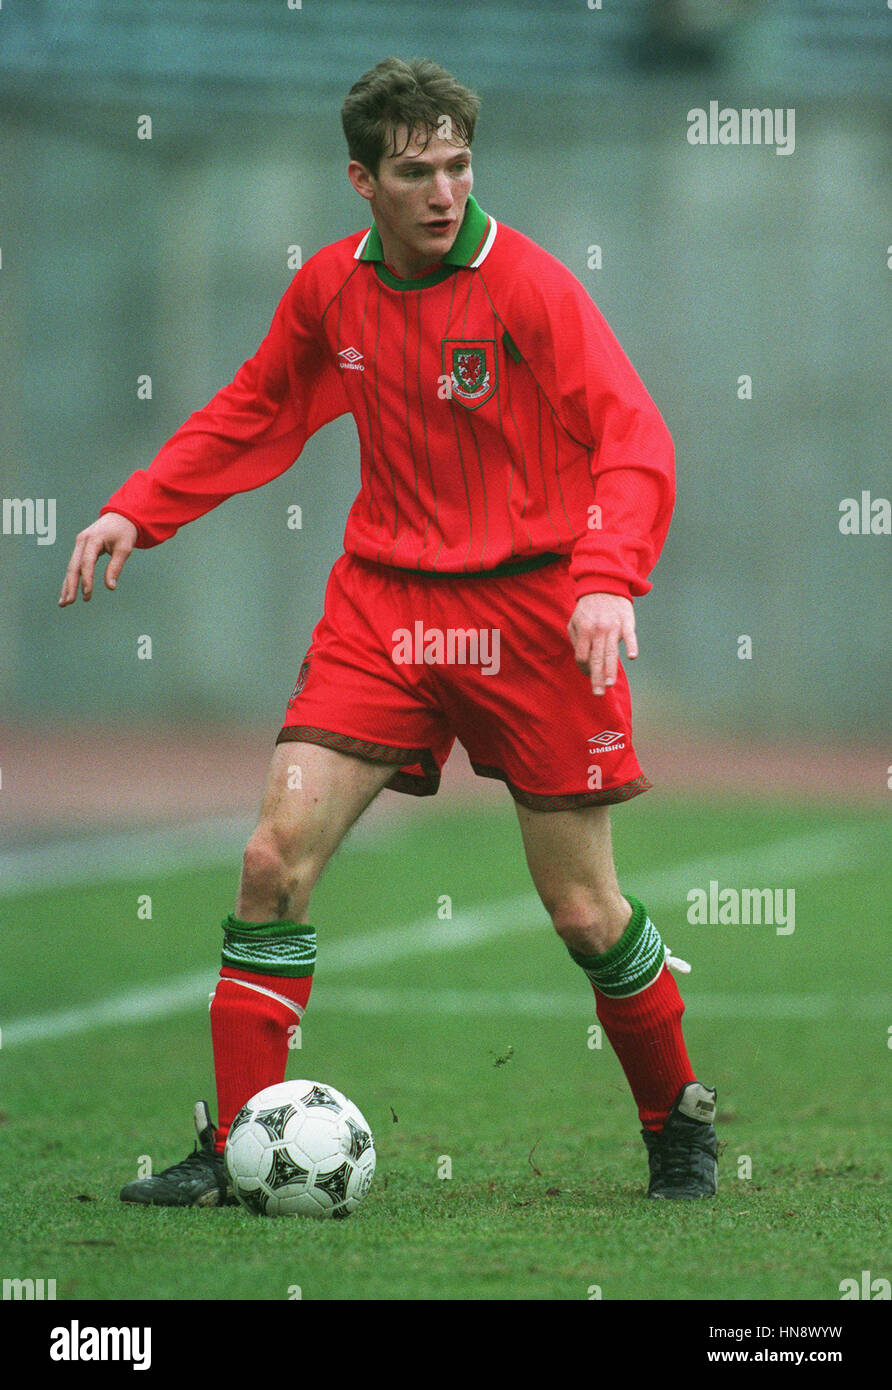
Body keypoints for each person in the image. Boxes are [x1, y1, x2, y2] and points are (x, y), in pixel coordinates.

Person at [59, 56, 717, 1204]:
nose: (444, 190)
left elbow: (634, 437)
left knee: (581, 909)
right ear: (360, 179)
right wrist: (137, 505)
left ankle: (677, 1125)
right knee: (270, 861)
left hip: (534, 609)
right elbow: (256, 409)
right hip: (386, 608)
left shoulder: (531, 289)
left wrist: (608, 576)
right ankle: (231, 1150)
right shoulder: (329, 289)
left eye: (459, 163)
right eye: (416, 170)